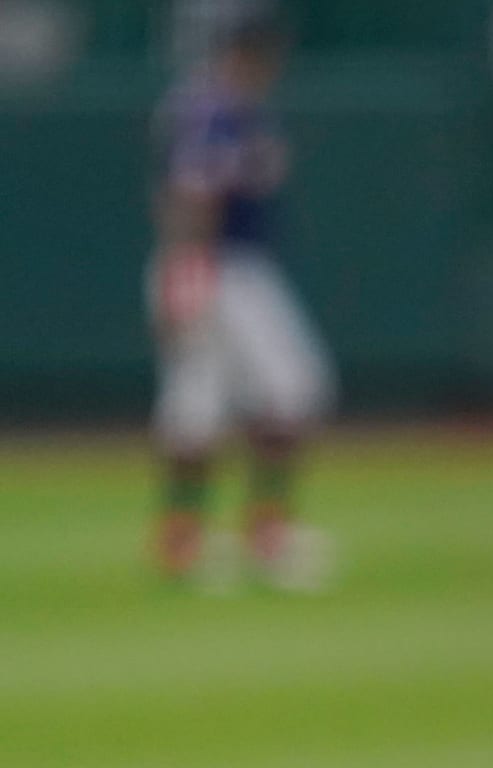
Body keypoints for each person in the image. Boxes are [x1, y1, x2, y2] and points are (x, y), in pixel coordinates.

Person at [146, 7, 334, 589]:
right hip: (220, 269)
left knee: (199, 405)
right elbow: (188, 193)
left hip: (219, 267)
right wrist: (187, 269)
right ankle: (261, 535)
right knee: (290, 388)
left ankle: (185, 539)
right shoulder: (215, 110)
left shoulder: (214, 104)